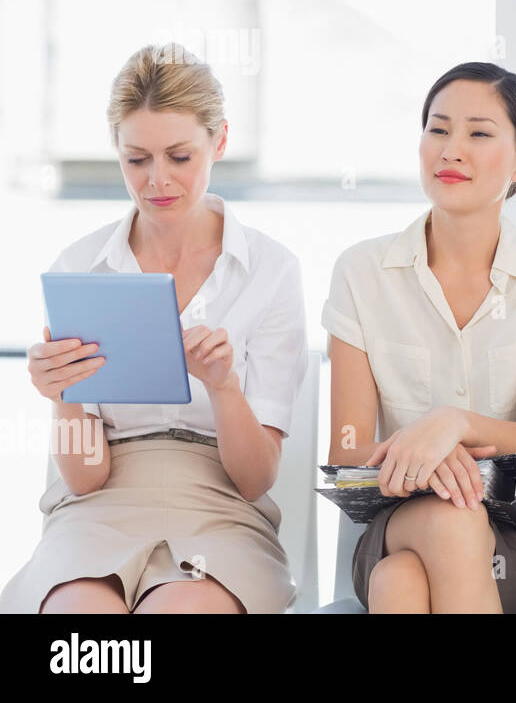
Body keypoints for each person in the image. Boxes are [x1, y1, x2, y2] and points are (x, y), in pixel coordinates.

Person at [1, 43, 307, 614]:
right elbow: (85, 477)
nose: (157, 180)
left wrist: (224, 387)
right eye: (137, 159)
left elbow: (255, 478)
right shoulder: (81, 266)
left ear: (219, 142)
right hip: (99, 506)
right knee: (80, 626)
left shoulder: (270, 270)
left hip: (221, 507)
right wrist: (63, 395)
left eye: (179, 156)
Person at [323, 61, 516, 613]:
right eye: (438, 128)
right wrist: (432, 464)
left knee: (400, 583)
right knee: (449, 519)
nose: (451, 150)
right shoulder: (361, 270)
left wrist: (454, 426)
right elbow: (346, 451)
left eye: (478, 132)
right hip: (397, 517)